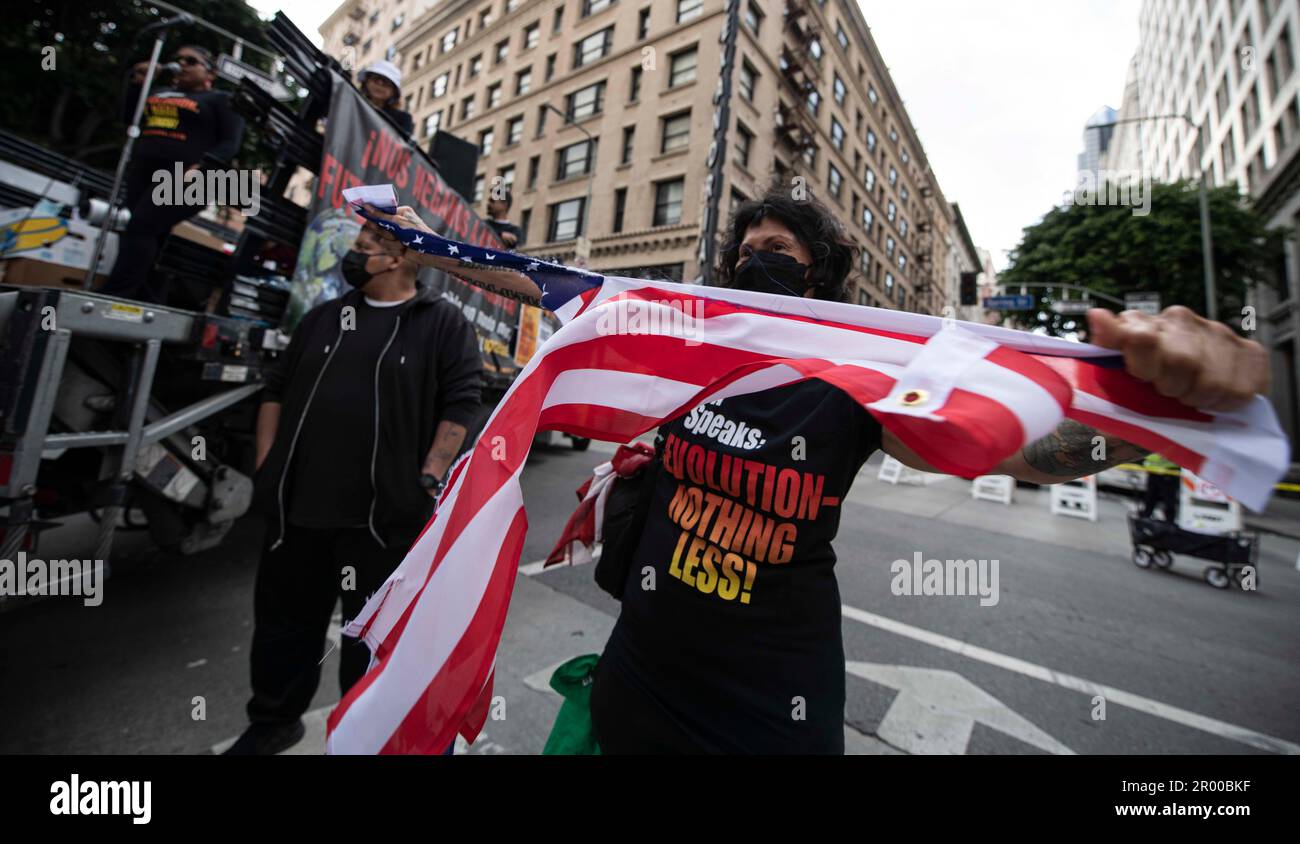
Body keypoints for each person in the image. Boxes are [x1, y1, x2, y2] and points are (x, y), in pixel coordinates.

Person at [359, 184, 1269, 755]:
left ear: (819, 281)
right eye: (748, 252)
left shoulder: (856, 382)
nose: (759, 263)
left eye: (782, 257)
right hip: (642, 665)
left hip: (769, 698)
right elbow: (547, 285)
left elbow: (1026, 454)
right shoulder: (684, 350)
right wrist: (429, 245)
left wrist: (1155, 420)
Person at [223, 223, 482, 755]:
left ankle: (364, 737)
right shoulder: (323, 317)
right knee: (283, 627)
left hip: (383, 521)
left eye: (364, 249)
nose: (352, 255)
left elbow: (462, 403)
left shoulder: (440, 323)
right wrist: (268, 465)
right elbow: (275, 389)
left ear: (395, 260)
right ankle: (273, 721)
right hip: (296, 513)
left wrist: (428, 478)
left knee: (370, 642)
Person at [102, 45, 245, 300]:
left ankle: (117, 292)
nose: (182, 64)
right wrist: (139, 82)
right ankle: (145, 298)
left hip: (189, 176)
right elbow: (128, 117)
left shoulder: (220, 100)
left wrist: (201, 165)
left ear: (210, 71)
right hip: (144, 172)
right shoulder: (160, 92)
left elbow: (230, 143)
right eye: (177, 60)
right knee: (150, 231)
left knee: (140, 227)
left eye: (191, 61)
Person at [357, 60, 414, 137]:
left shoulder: (402, 119)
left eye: (386, 82)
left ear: (393, 91)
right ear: (367, 82)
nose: (380, 84)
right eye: (376, 79)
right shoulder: (355, 104)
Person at [1140, 453, 1181, 522]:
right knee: (1151, 495)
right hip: (1154, 471)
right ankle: (1146, 514)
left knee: (1168, 498)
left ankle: (1170, 520)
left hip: (1169, 472)